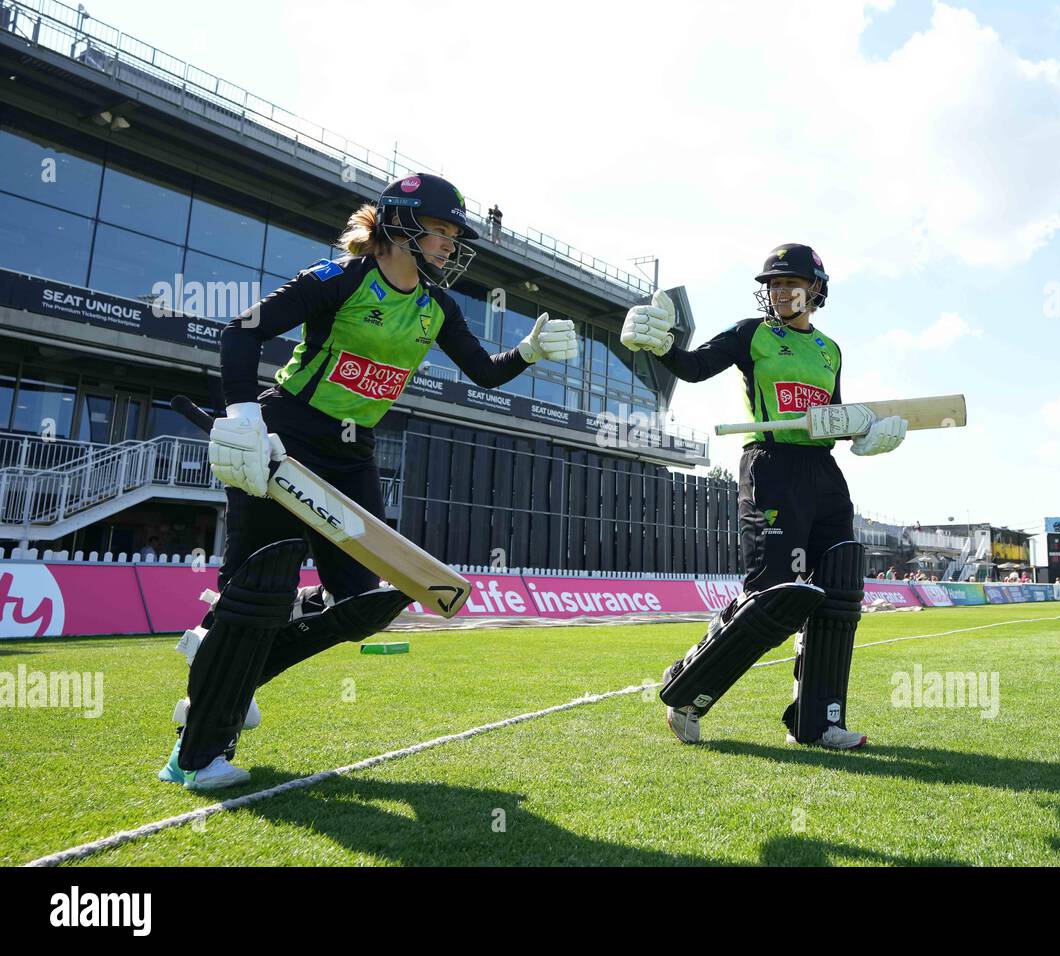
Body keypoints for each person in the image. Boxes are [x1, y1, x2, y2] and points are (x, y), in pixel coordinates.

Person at [158, 173, 577, 790]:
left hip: (353, 454)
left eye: (454, 237)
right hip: (285, 435)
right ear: (399, 225)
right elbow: (241, 333)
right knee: (261, 585)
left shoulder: (438, 308)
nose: (448, 247)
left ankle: (224, 655)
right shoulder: (339, 280)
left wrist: (528, 354)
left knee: (361, 604)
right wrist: (244, 417)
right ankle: (195, 754)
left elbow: (484, 375)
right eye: (440, 232)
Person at [622, 243, 907, 750]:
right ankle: (688, 690)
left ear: (816, 290)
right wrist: (661, 344)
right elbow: (690, 367)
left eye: (791, 283)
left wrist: (867, 433)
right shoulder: (751, 334)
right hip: (772, 468)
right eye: (773, 284)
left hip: (824, 473)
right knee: (774, 590)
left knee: (838, 590)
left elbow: (831, 417)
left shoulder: (829, 350)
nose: (780, 292)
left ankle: (818, 722)